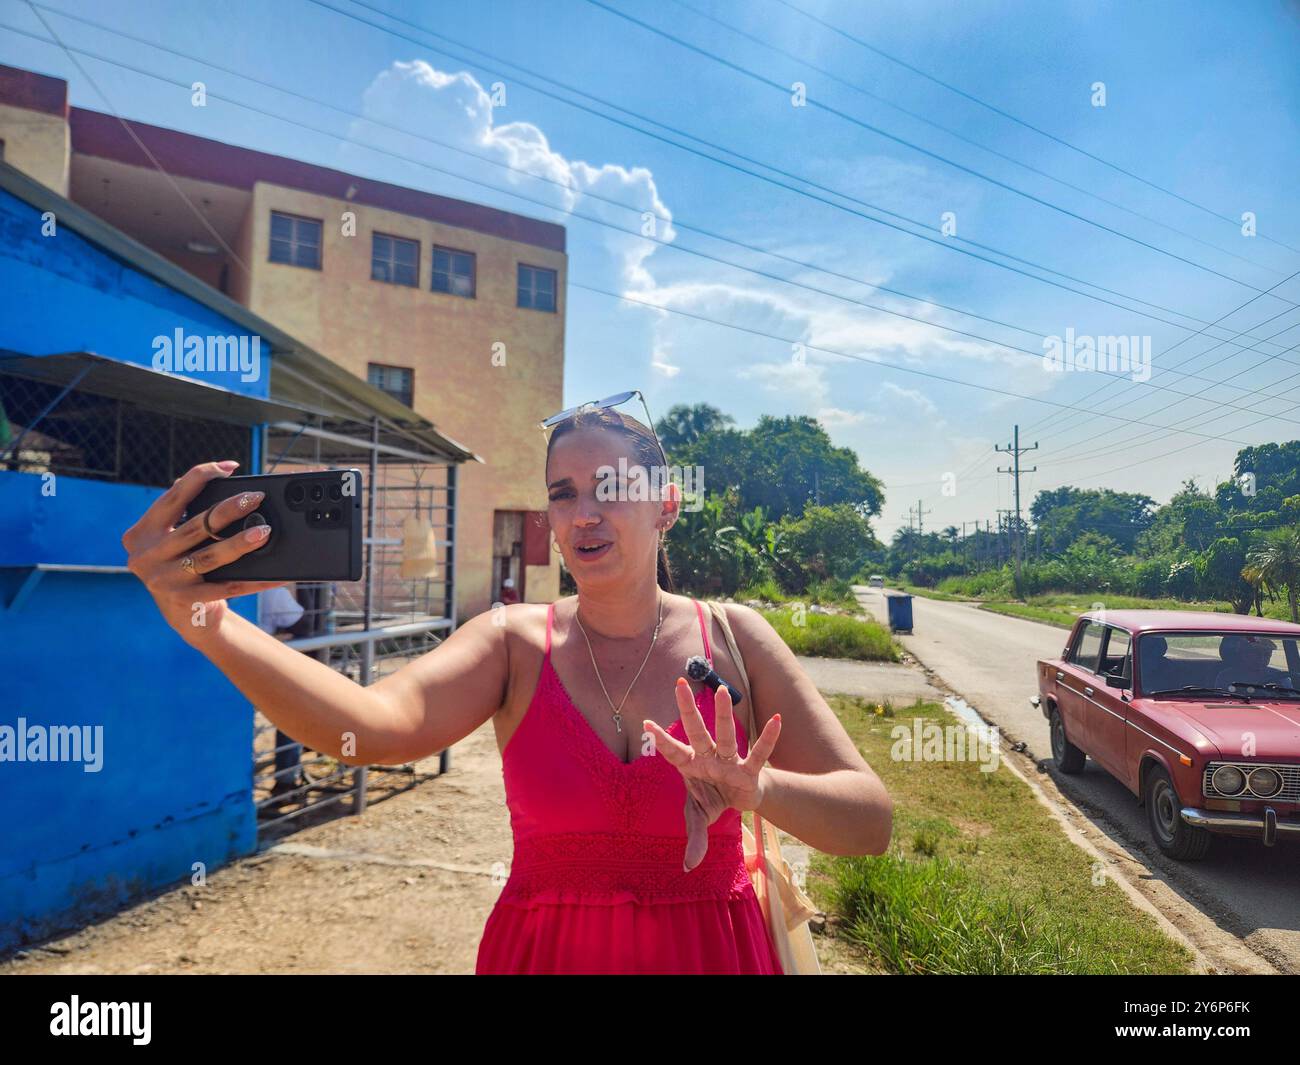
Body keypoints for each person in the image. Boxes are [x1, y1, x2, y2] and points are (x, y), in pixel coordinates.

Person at [120, 403, 892, 974]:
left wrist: (759, 789)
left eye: (608, 487)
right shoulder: (512, 642)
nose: (582, 513)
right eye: (562, 493)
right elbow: (375, 726)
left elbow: (871, 819)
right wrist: (212, 624)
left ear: (666, 504)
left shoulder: (737, 638)